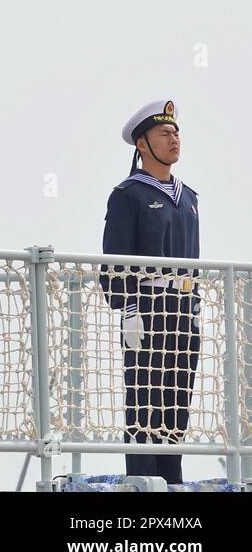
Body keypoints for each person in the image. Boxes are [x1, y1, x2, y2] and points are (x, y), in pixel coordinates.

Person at [100, 99, 200, 485]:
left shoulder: (189, 199)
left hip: (183, 307)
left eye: (176, 132)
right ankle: (143, 482)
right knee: (145, 403)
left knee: (177, 406)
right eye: (164, 133)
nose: (174, 138)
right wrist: (128, 309)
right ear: (142, 144)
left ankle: (171, 481)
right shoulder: (129, 196)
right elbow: (115, 266)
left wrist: (192, 306)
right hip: (147, 310)